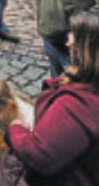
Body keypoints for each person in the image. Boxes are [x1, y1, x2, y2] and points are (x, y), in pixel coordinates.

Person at [6, 11, 99, 186]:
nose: (68, 42)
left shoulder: (77, 105)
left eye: (74, 36)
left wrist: (16, 129)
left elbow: (38, 154)